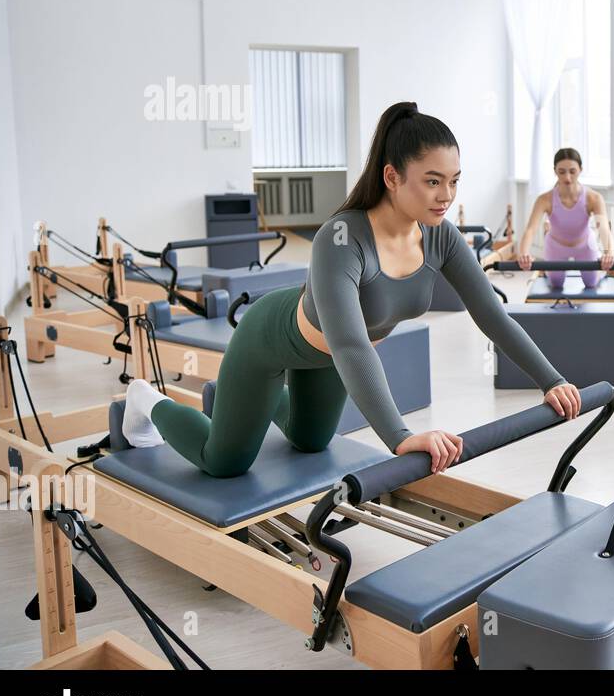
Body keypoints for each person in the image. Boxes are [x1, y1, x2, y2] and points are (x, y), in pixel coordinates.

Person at [120, 102, 582, 478]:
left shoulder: (440, 235)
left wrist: (552, 379)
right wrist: (400, 436)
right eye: (433, 182)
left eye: (454, 182)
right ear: (392, 178)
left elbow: (491, 314)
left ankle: (231, 399)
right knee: (223, 463)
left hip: (327, 358)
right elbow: (350, 343)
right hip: (271, 341)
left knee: (310, 440)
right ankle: (147, 401)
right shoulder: (342, 238)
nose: (446, 196)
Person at [516, 148, 614, 288]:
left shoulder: (594, 198)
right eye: (562, 172)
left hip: (584, 245)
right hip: (556, 246)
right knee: (556, 284)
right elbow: (531, 229)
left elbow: (603, 227)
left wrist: (609, 253)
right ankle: (548, 270)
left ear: (580, 169)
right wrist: (524, 253)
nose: (567, 178)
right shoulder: (544, 199)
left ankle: (600, 273)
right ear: (555, 171)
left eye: (572, 171)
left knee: (591, 283)